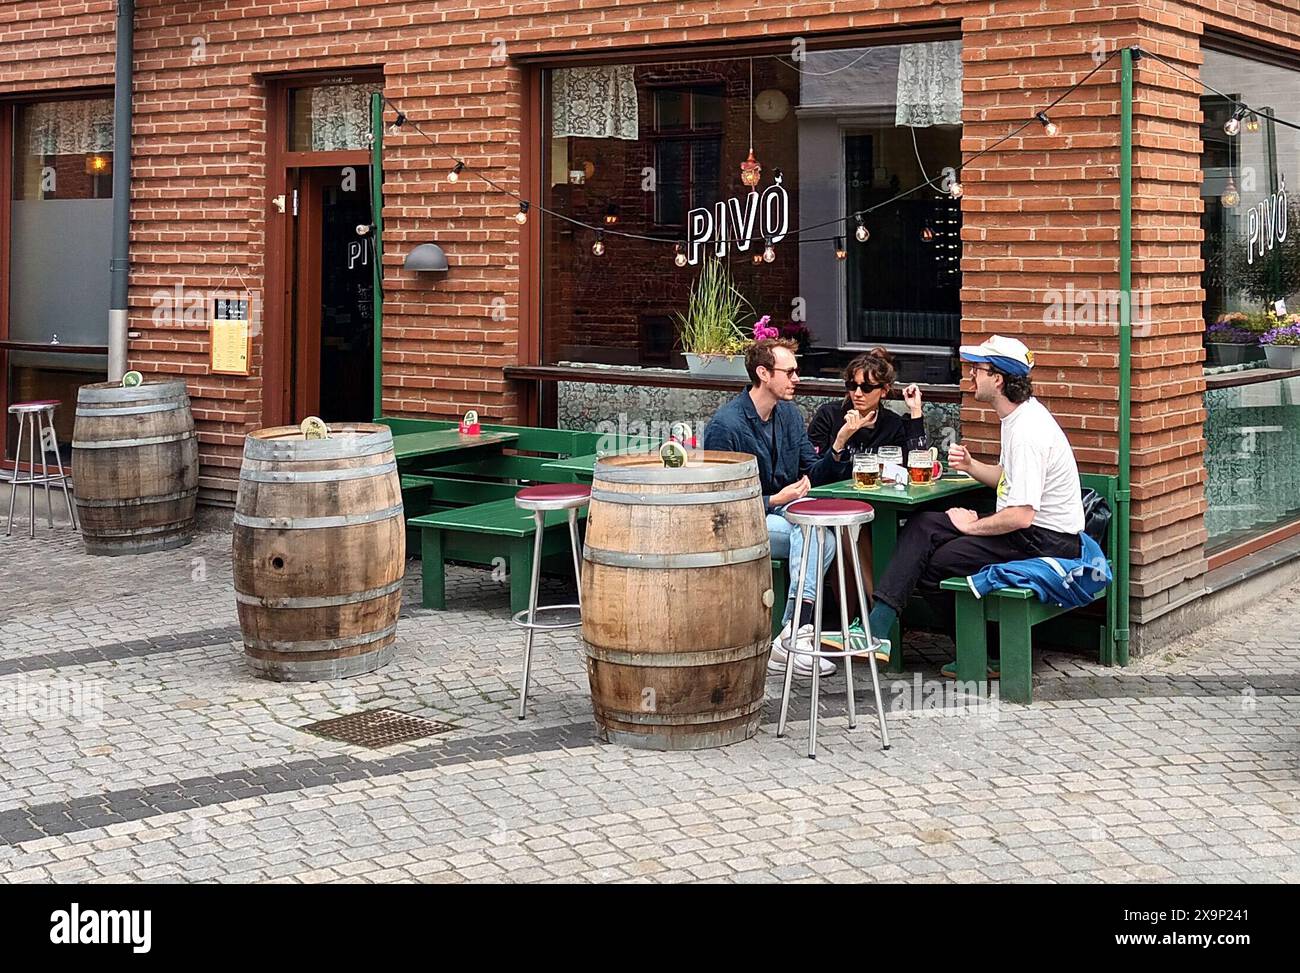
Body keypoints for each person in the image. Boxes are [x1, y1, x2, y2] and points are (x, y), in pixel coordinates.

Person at [863, 335, 1086, 675]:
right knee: (925, 523)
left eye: (977, 370)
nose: (970, 376)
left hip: (1045, 540)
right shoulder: (1019, 417)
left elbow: (1022, 516)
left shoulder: (1027, 431)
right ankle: (878, 626)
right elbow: (1009, 481)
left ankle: (984, 653)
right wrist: (971, 467)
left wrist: (970, 526)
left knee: (937, 562)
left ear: (998, 379)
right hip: (1030, 531)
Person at [701, 337, 864, 676]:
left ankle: (792, 635)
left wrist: (839, 443)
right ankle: (797, 636)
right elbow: (718, 502)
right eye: (789, 372)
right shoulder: (727, 425)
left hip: (784, 516)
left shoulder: (788, 415)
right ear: (763, 373)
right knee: (818, 537)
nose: (796, 378)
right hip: (742, 522)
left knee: (821, 537)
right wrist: (776, 499)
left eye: (796, 371)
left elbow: (814, 472)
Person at [807, 347, 926, 457]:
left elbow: (914, 463)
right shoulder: (828, 415)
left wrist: (915, 410)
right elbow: (814, 469)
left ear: (884, 390)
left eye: (867, 388)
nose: (858, 393)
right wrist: (841, 440)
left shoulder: (892, 424)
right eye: (852, 386)